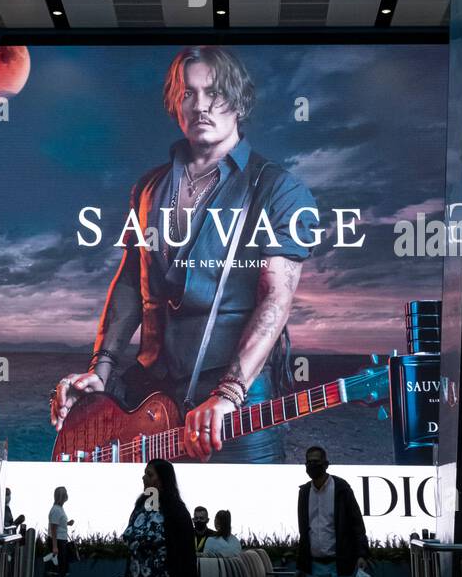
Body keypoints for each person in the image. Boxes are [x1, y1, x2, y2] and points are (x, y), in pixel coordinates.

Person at [51, 46, 317, 464]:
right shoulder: (149, 188)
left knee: (248, 525)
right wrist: (100, 370)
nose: (201, 106)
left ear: (240, 101)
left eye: (215, 93)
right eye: (189, 93)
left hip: (236, 401)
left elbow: (275, 300)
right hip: (150, 395)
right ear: (176, 103)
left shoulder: (279, 189)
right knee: (159, 518)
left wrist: (229, 395)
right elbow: (128, 283)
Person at [296, 445, 369, 577]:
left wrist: (361, 553)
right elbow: (304, 530)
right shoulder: (304, 492)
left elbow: (356, 522)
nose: (311, 465)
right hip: (314, 566)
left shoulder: (341, 488)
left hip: (340, 564)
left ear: (326, 464)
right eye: (309, 462)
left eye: (316, 462)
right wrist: (302, 563)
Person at [122, 460, 199, 577]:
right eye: (145, 473)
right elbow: (133, 547)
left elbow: (188, 553)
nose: (144, 478)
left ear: (162, 479)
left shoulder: (176, 510)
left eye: (149, 474)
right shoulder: (141, 506)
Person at [44, 486, 73, 577]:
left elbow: (57, 526)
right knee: (59, 569)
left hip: (61, 541)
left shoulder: (59, 509)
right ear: (62, 496)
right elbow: (54, 530)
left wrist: (67, 524)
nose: (68, 495)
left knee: (60, 569)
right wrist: (55, 547)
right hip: (58, 542)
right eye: (66, 493)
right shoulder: (56, 510)